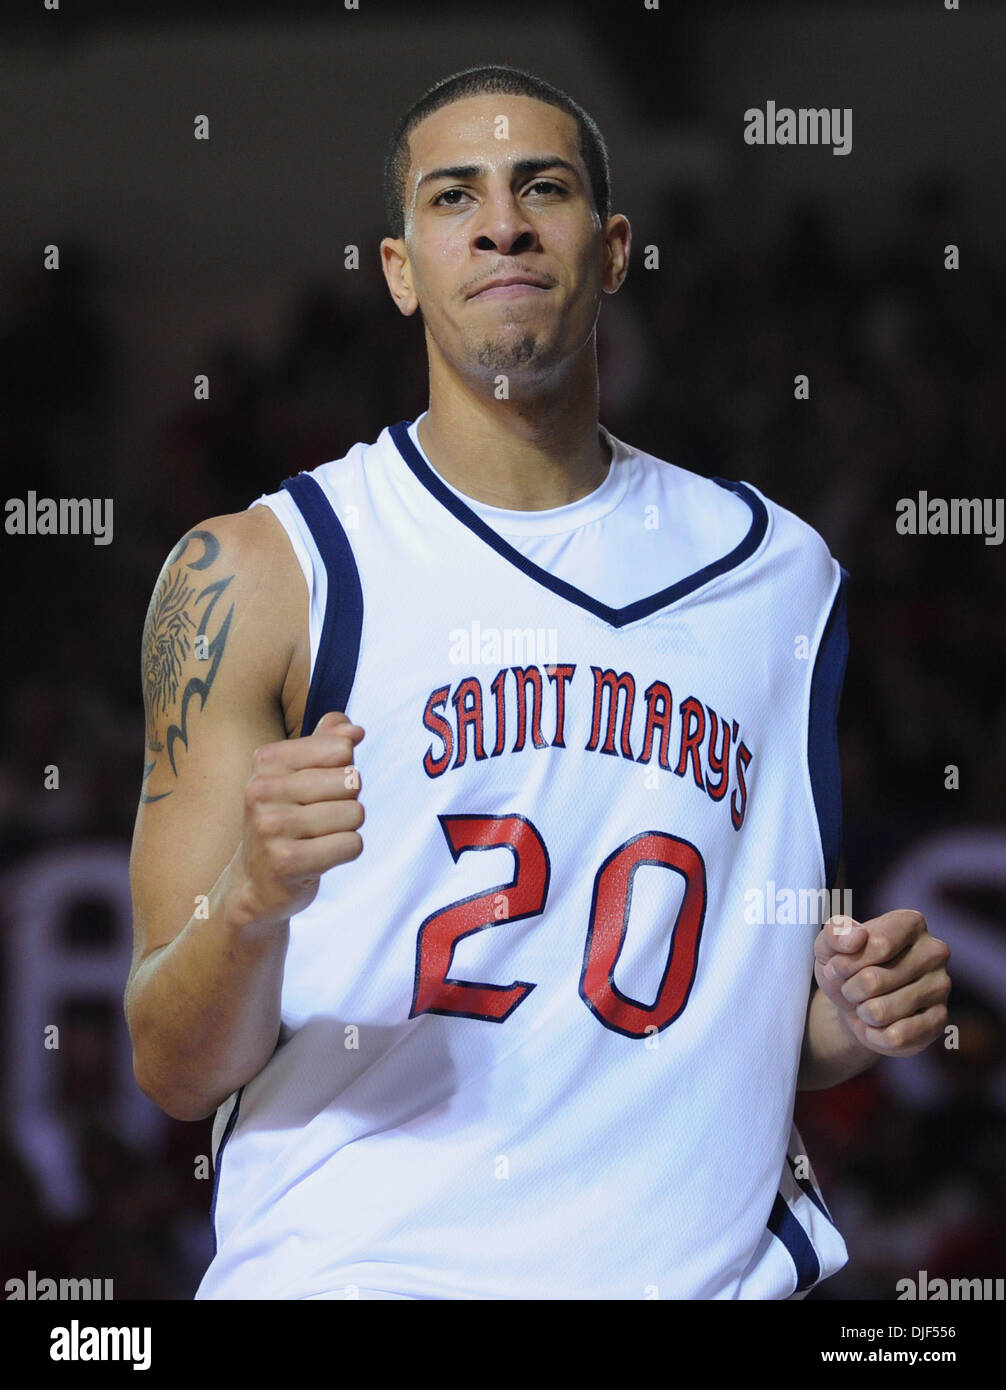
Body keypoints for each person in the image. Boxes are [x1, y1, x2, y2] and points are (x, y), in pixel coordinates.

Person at [125, 64, 951, 1300]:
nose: (502, 222)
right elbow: (172, 1065)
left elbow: (752, 1015)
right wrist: (251, 900)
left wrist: (849, 1013)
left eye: (542, 188)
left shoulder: (780, 576)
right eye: (454, 196)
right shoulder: (264, 573)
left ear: (611, 249)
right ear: (401, 268)